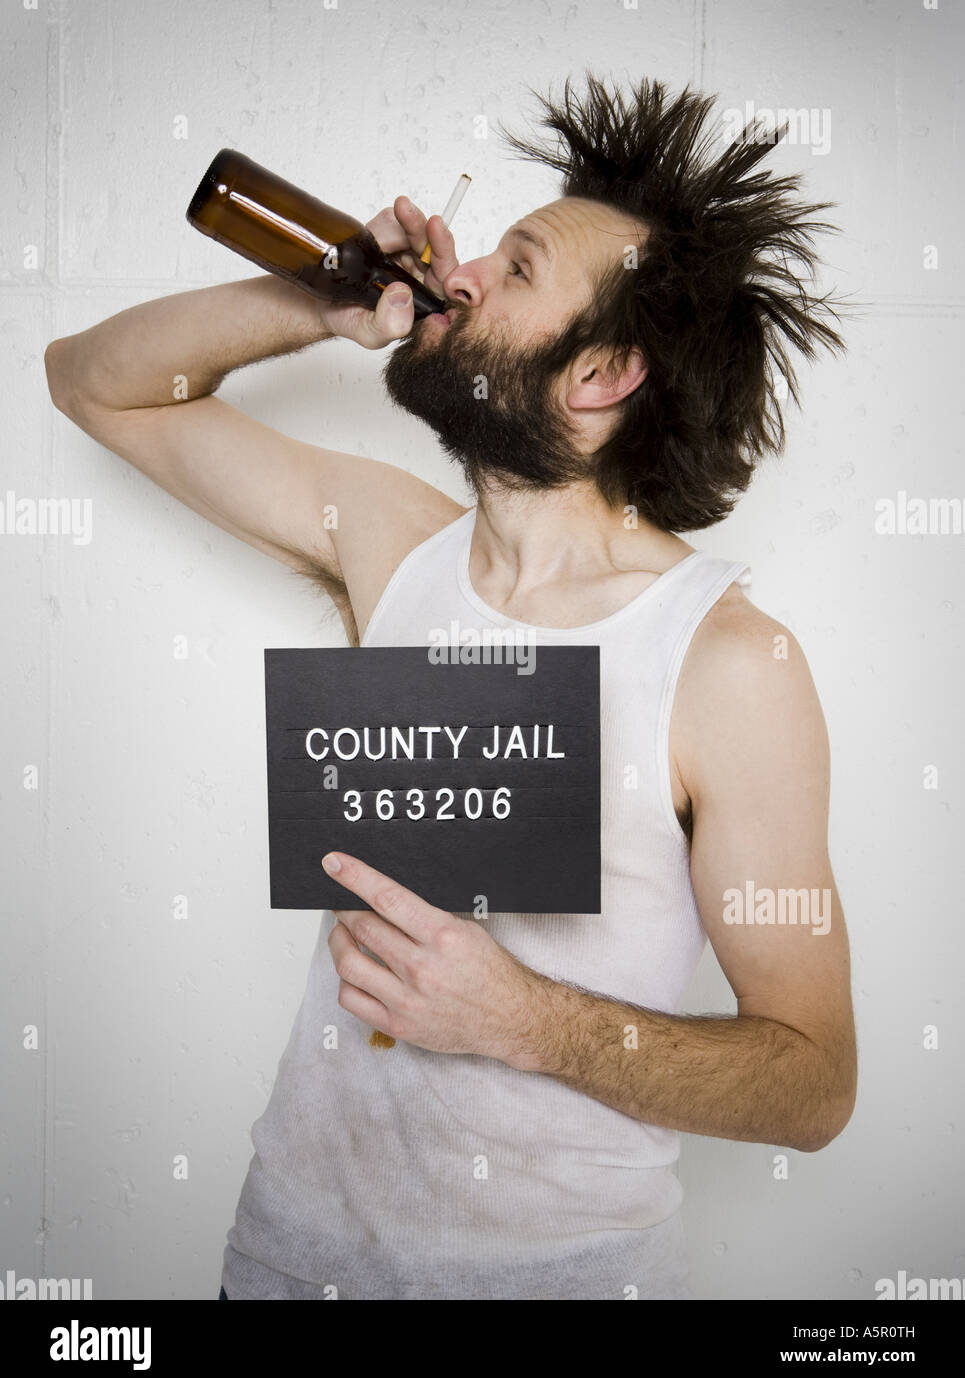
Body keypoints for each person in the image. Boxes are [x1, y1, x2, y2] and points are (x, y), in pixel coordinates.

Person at [44, 74, 857, 1301]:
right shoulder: (390, 543)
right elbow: (88, 381)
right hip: (281, 1263)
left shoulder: (726, 665)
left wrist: (527, 1018)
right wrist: (315, 302)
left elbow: (812, 1082)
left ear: (600, 377)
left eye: (516, 269)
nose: (460, 268)